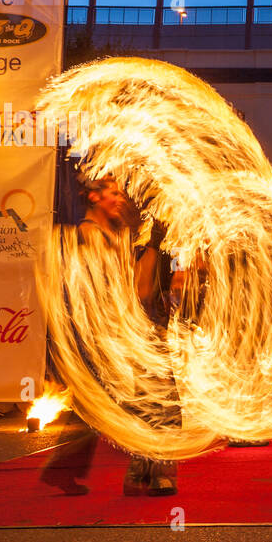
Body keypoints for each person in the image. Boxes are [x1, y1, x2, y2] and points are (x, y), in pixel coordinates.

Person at [73, 177, 184, 495]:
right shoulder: (98, 234)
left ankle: (144, 468)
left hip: (147, 321)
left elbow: (165, 275)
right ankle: (156, 468)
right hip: (130, 324)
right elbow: (139, 288)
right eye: (115, 194)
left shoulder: (131, 232)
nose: (121, 200)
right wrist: (152, 247)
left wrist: (176, 267)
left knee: (154, 397)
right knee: (157, 398)